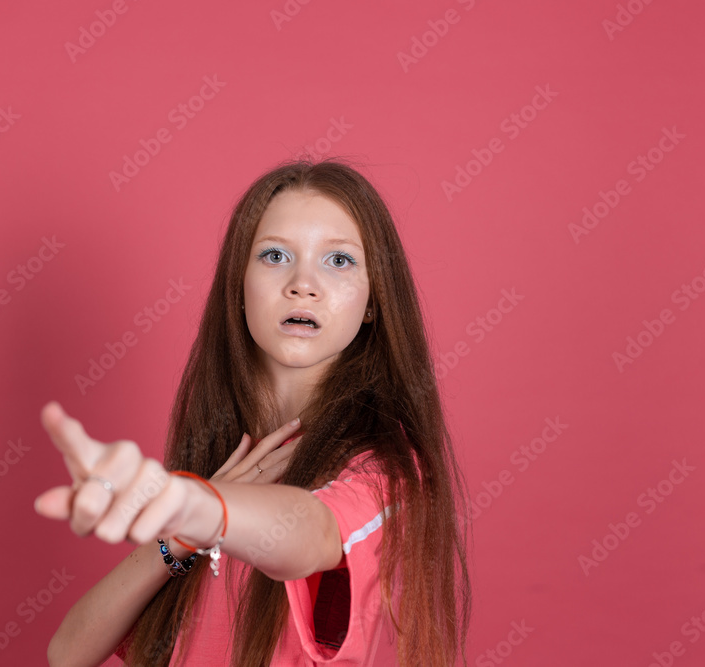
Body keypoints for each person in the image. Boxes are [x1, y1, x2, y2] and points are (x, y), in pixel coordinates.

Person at [33, 158, 472, 666]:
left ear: (373, 302)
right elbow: (68, 653)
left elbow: (313, 534)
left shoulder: (386, 467)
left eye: (339, 261)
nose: (302, 284)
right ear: (238, 289)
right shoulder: (230, 461)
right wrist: (180, 536)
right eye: (275, 255)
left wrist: (197, 504)